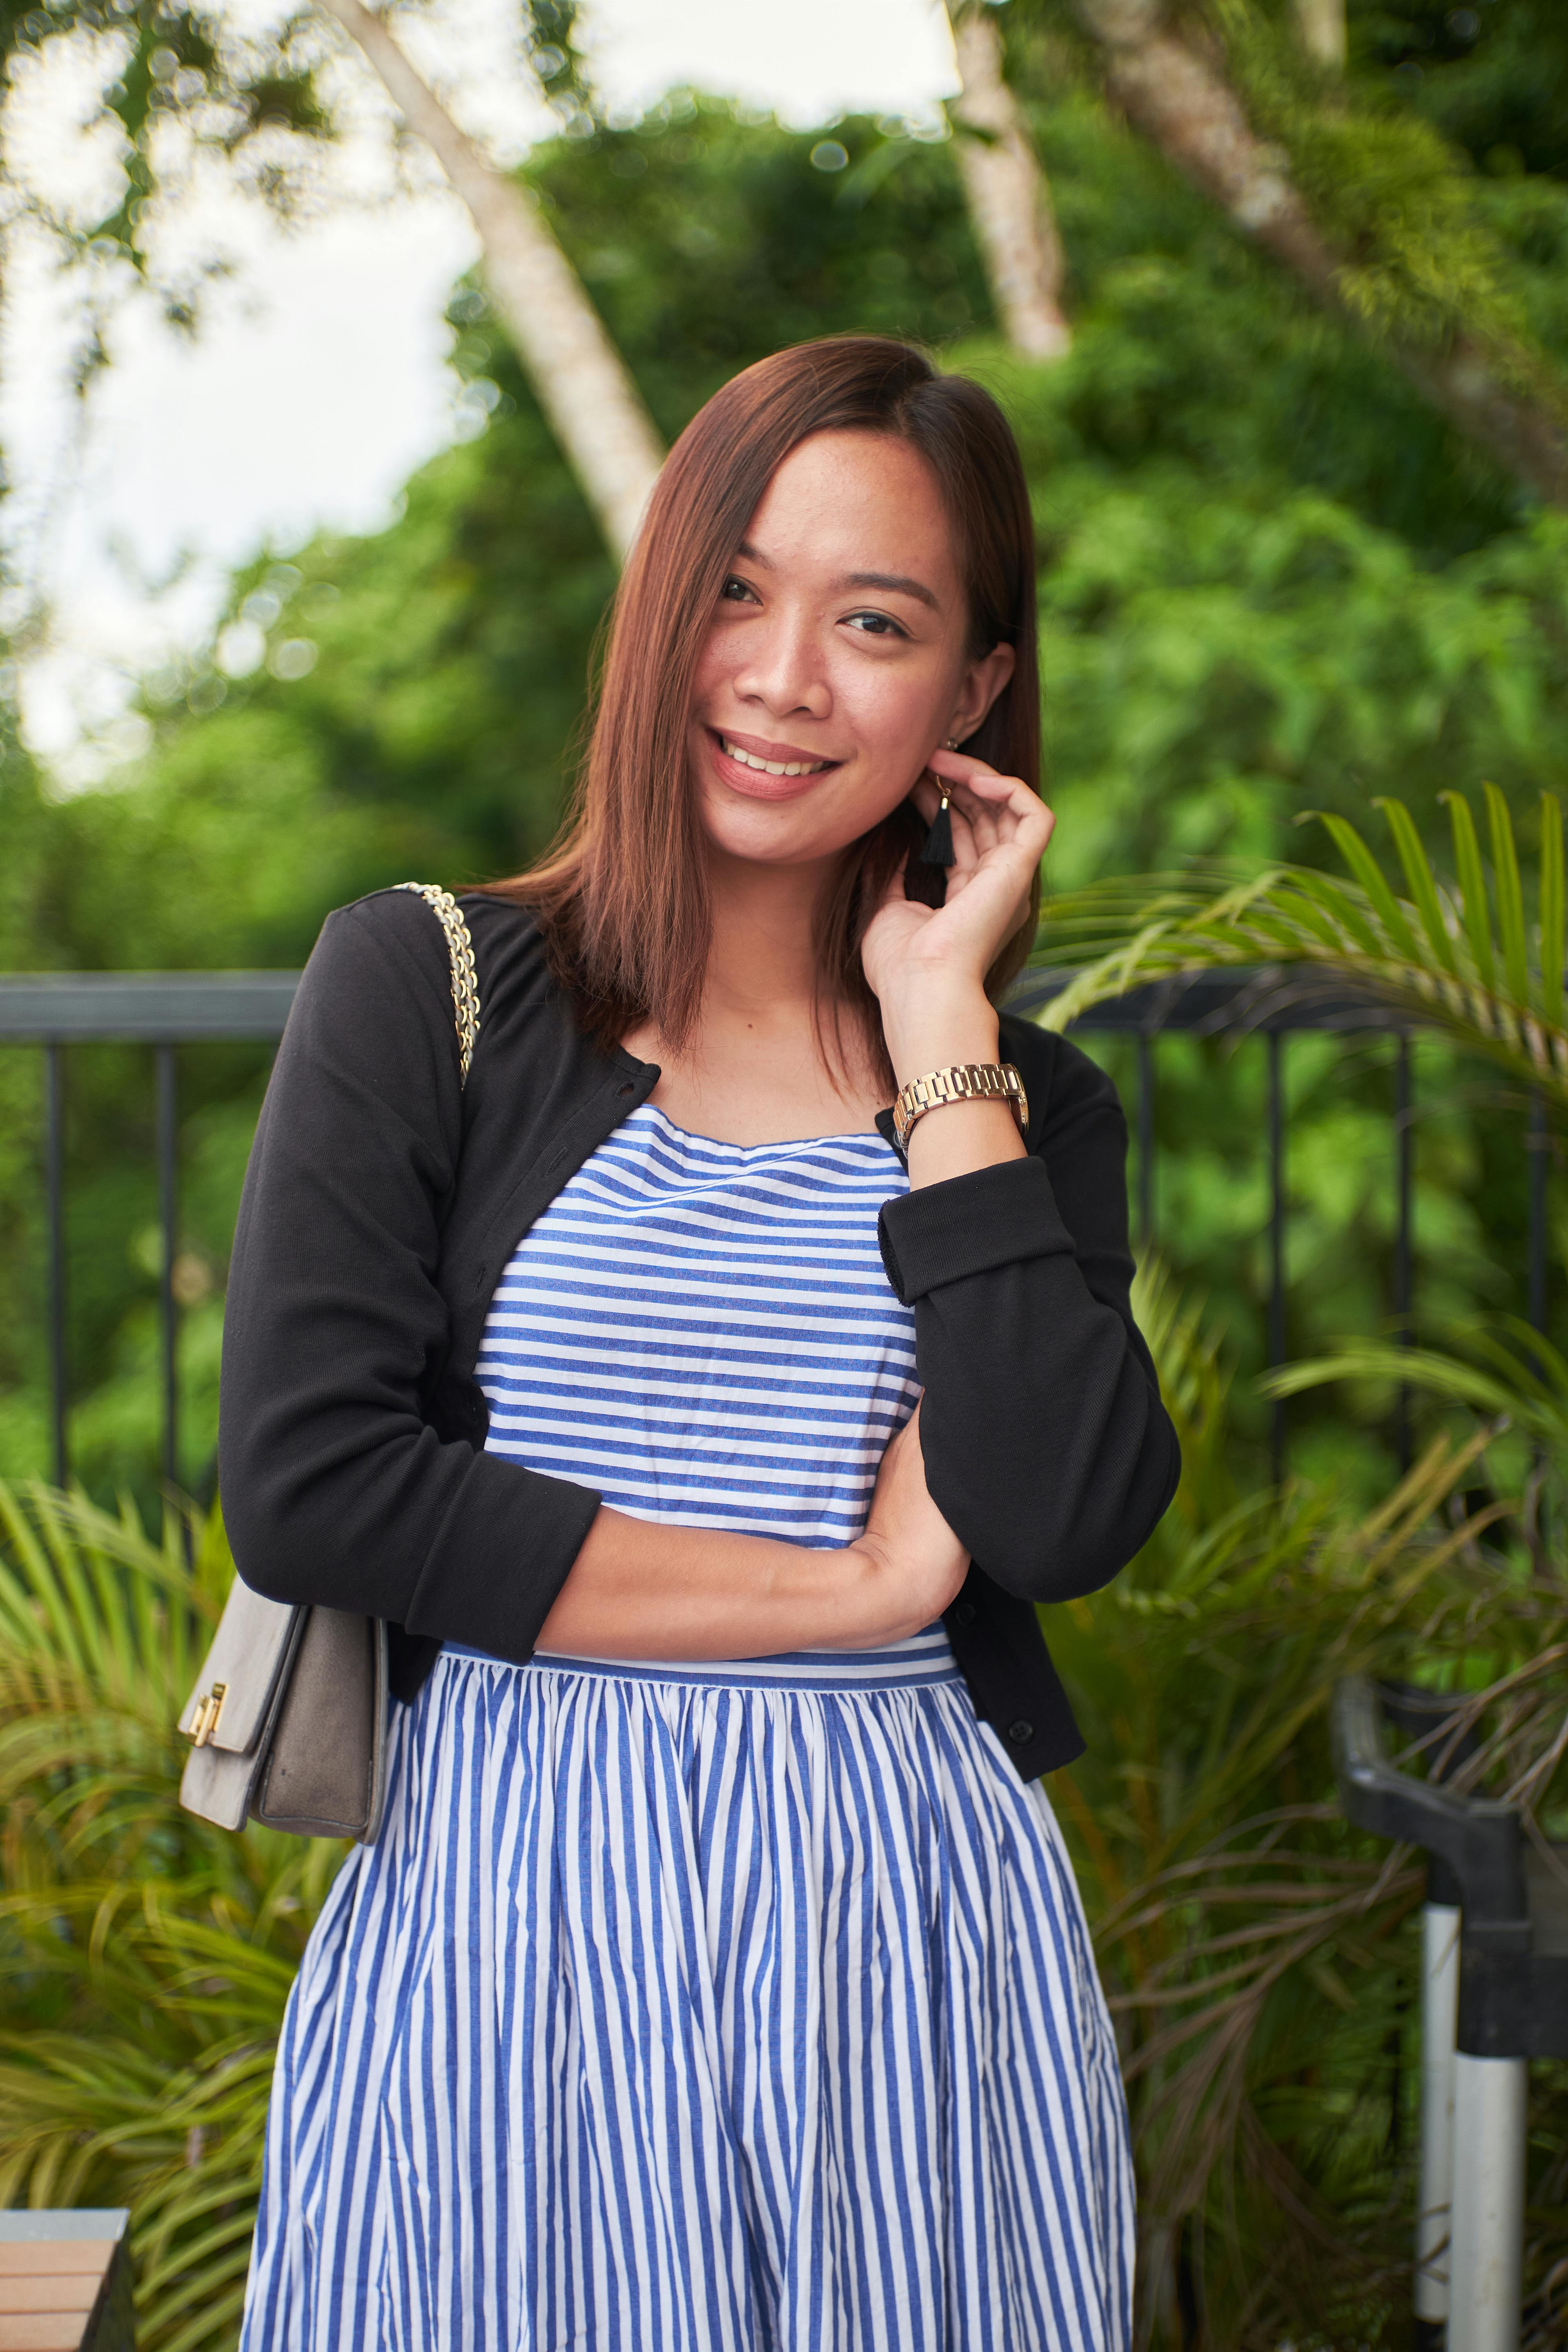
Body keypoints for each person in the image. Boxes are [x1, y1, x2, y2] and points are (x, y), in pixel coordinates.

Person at [225, 334, 1179, 2352]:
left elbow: (1057, 1512)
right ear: (659, 604)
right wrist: (846, 1589)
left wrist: (941, 1030)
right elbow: (317, 1485)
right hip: (515, 1927)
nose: (782, 676)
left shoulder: (1021, 1102)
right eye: (735, 590)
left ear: (973, 695)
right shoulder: (427, 985)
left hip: (908, 1947)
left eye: (876, 622)